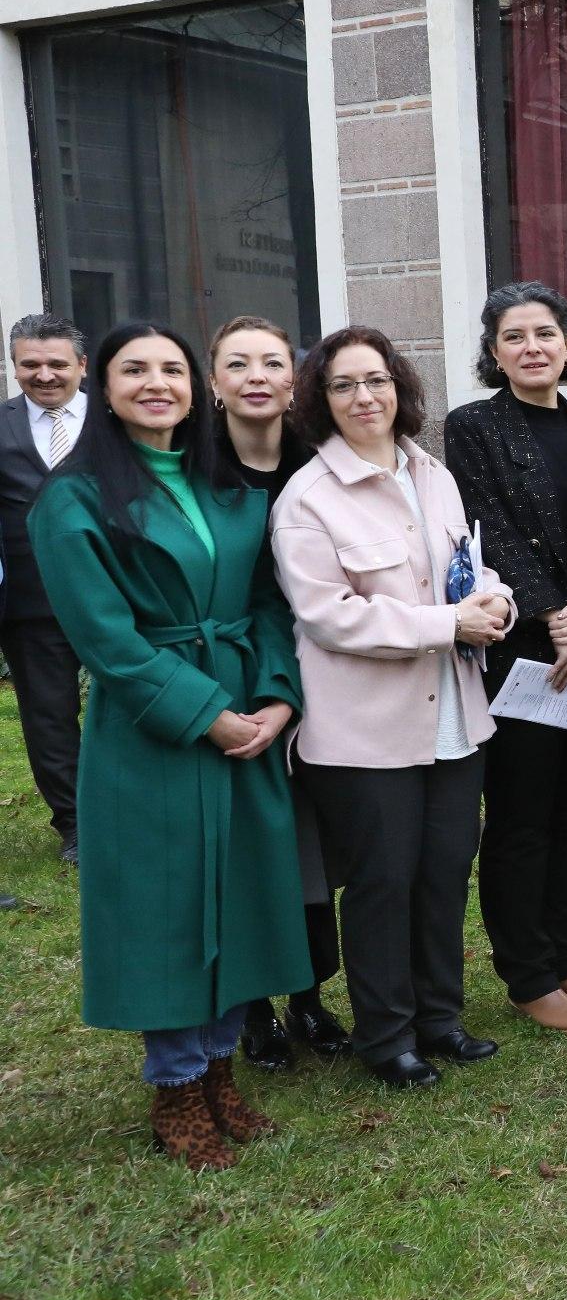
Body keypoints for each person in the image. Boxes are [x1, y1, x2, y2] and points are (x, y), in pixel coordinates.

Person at [31, 323, 307, 1170]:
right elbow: (106, 642)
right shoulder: (71, 502)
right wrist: (206, 714)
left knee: (241, 897)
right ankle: (176, 1086)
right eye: (134, 371)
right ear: (101, 388)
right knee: (168, 909)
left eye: (172, 370)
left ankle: (221, 1070)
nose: (157, 384)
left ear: (196, 387)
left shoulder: (224, 485)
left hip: (244, 716)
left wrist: (273, 698)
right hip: (155, 735)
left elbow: (264, 602)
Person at [271, 329, 515, 1090]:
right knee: (383, 881)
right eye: (343, 385)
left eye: (375, 380)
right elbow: (330, 615)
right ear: (321, 401)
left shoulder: (431, 472)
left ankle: (440, 1018)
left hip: (454, 717)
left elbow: (465, 561)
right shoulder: (308, 497)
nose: (363, 397)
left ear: (399, 387)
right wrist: (449, 624)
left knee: (445, 871)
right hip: (363, 730)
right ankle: (388, 1037)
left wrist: (496, 598)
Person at [442, 284, 567, 1036]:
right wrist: (556, 614)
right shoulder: (471, 428)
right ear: (493, 353)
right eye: (513, 337)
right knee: (521, 815)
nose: (532, 348)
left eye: (545, 333)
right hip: (522, 647)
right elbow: (488, 531)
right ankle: (527, 972)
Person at [209, 316, 351, 1071]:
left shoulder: (319, 462)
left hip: (323, 672)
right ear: (216, 382)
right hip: (232, 681)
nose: (258, 376)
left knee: (308, 848)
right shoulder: (193, 470)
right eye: (239, 364)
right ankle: (252, 1008)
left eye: (273, 362)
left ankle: (308, 995)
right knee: (244, 848)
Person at [0, 313, 91, 866]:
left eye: (58, 363)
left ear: (82, 365)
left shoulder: (116, 419)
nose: (45, 374)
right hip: (32, 606)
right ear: (14, 367)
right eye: (29, 364)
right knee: (49, 716)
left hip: (121, 595)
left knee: (134, 705)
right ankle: (76, 825)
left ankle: (138, 809)